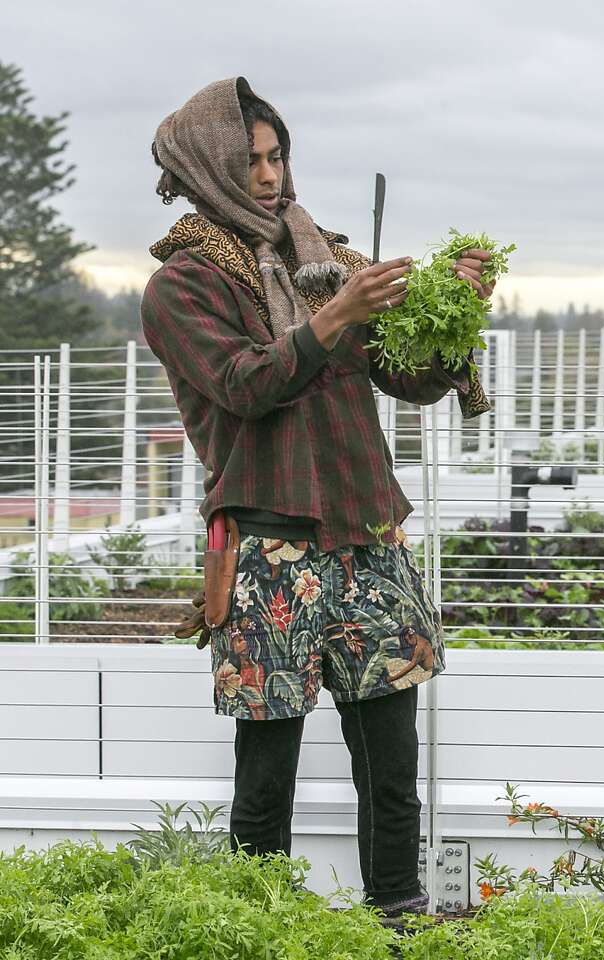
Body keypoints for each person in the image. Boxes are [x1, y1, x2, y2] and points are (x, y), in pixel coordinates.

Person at [141, 77, 493, 918]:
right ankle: (261, 929)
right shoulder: (181, 289)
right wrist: (331, 318)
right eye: (249, 161)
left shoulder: (325, 261)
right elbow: (242, 385)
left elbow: (407, 380)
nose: (269, 175)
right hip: (267, 546)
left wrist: (452, 311)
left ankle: (400, 920)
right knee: (267, 771)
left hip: (370, 532)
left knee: (391, 759)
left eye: (276, 155)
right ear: (206, 170)